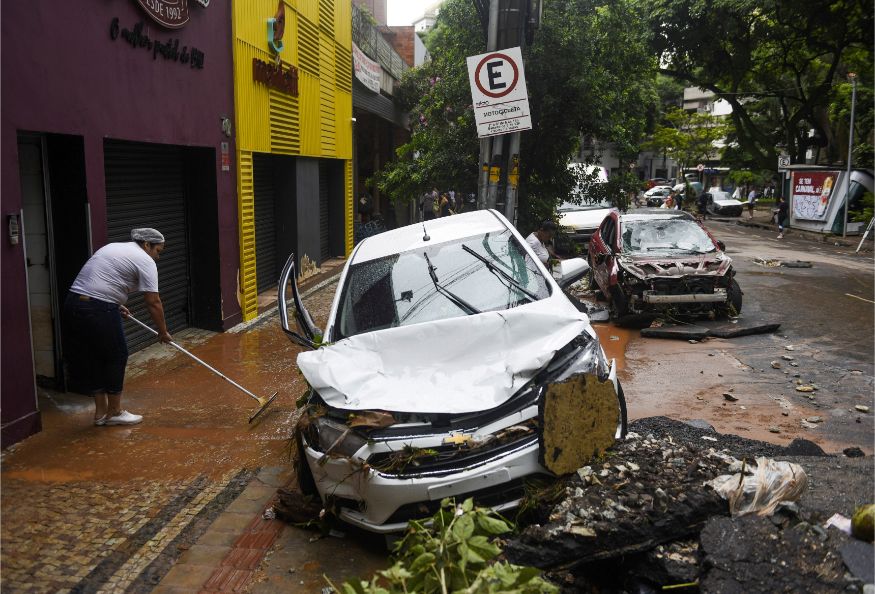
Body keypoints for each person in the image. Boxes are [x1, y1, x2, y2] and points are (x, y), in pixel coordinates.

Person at [63, 228, 171, 427]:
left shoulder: (113, 247)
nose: (158, 256)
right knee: (117, 355)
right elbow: (153, 301)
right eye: (158, 251)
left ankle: (100, 413)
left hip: (74, 303)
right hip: (97, 306)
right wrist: (163, 332)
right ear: (147, 245)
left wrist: (113, 303)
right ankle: (114, 412)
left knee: (94, 356)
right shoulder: (144, 259)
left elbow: (99, 281)